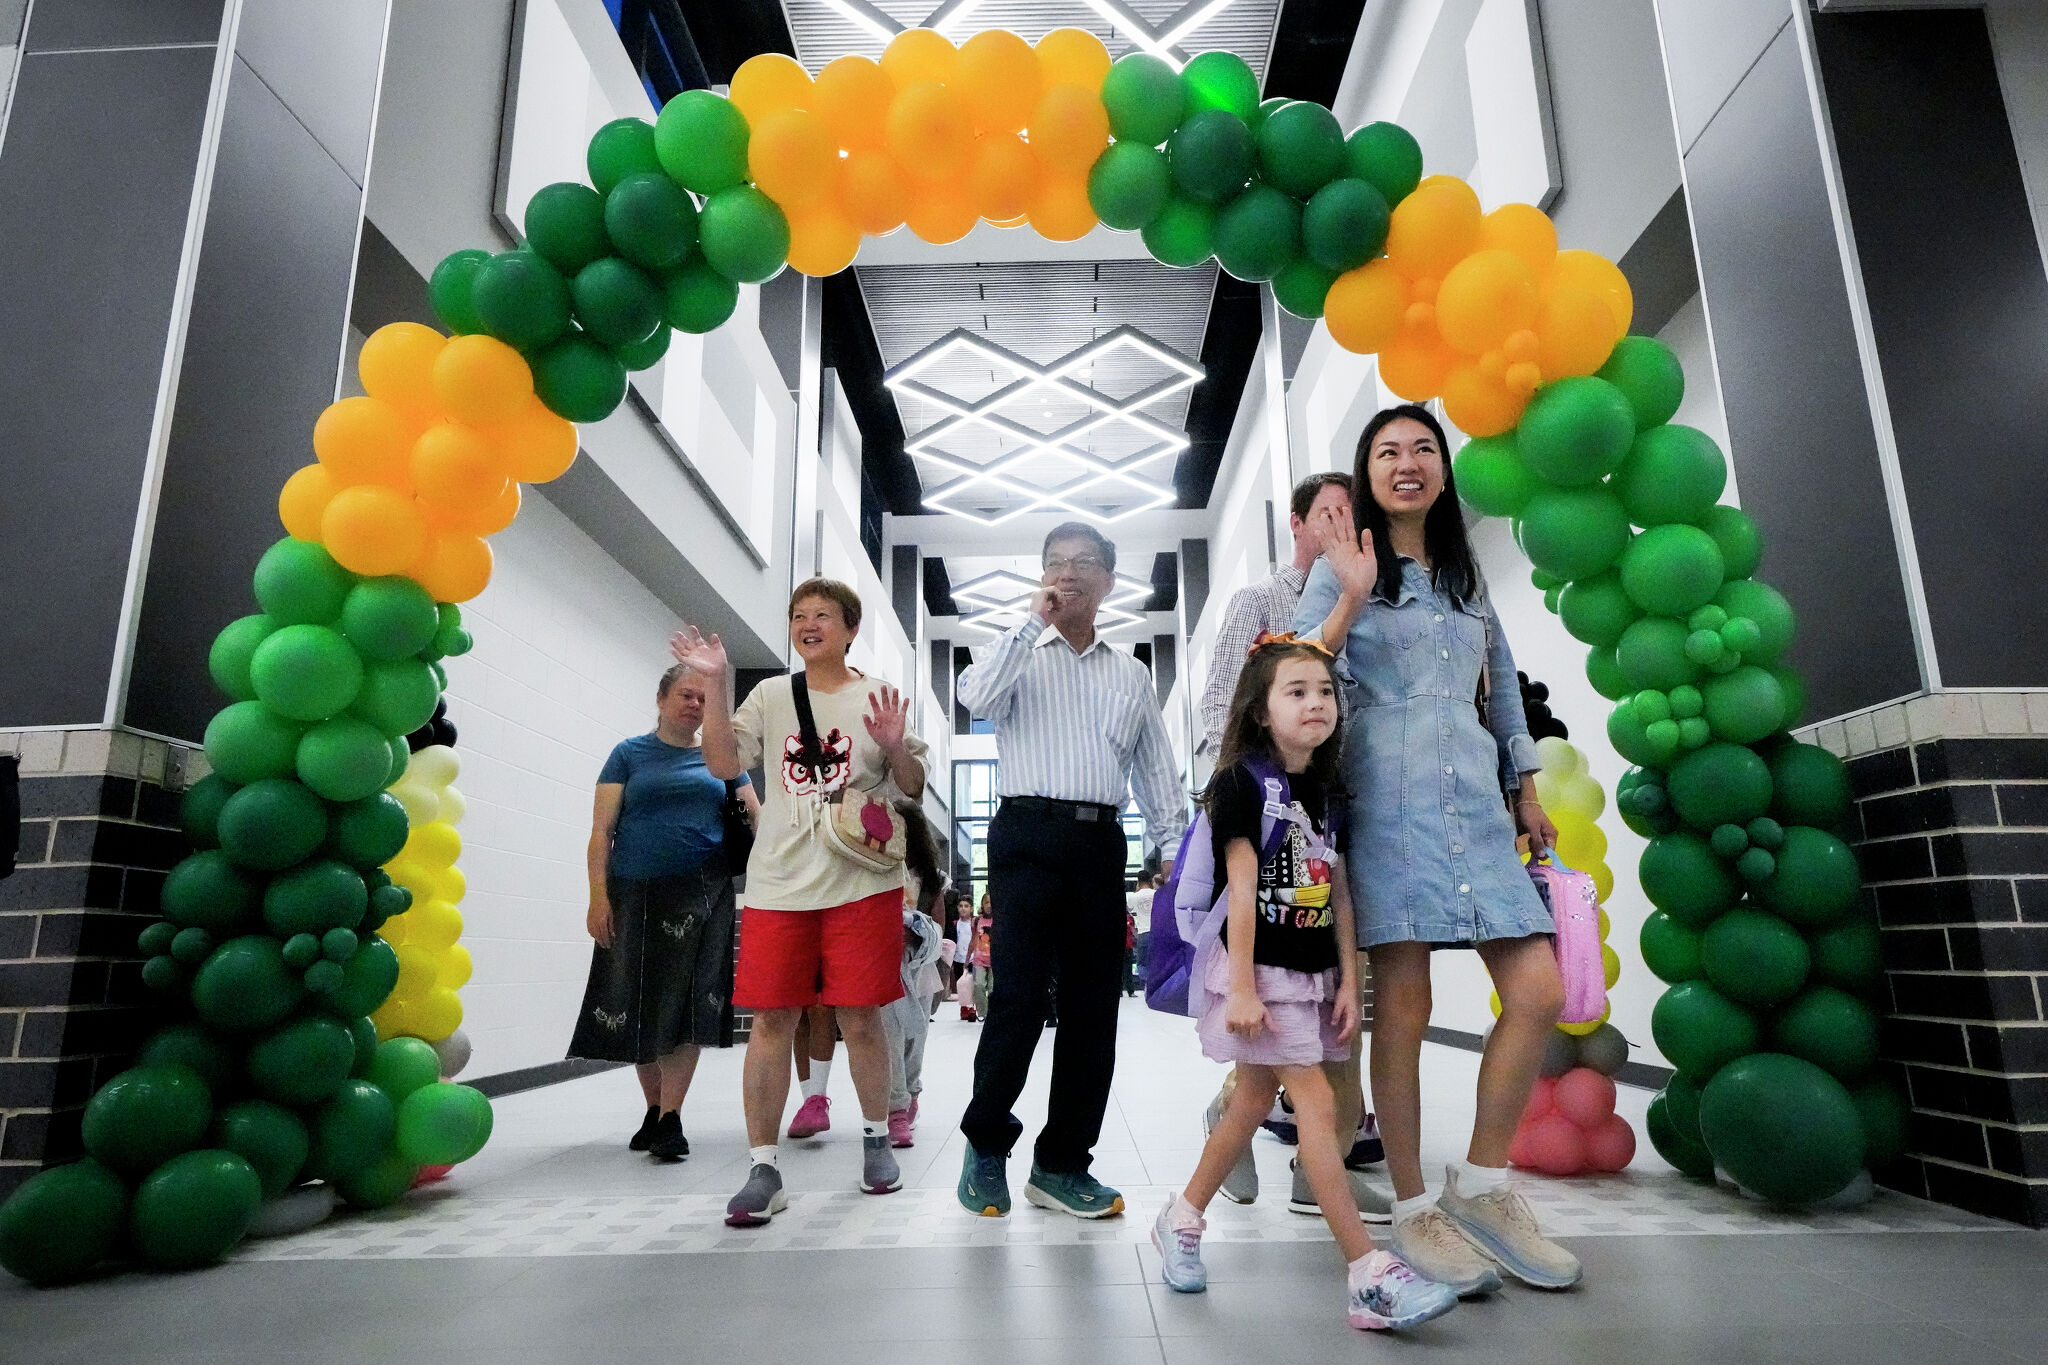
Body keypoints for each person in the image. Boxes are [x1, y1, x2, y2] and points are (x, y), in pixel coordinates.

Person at [1296, 404, 1581, 1293]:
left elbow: (1499, 695)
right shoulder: (1344, 572)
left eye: (1423, 448)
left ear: (1444, 470)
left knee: (1539, 988)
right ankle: (1413, 1203)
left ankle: (1485, 1183)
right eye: (1388, 451)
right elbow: (1294, 671)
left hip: (1475, 804)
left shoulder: (1464, 578)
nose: (1407, 463)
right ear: (1366, 472)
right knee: (1406, 1006)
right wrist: (1346, 592)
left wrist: (1526, 787)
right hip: (1385, 802)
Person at [1153, 637, 1456, 1332]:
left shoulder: (1326, 789)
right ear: (1260, 710)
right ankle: (1368, 1273)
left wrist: (1352, 977)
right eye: (1296, 691)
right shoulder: (1240, 783)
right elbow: (1241, 883)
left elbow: (1340, 891)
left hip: (1309, 971)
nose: (1316, 702)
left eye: (1324, 690)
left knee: (1253, 1099)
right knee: (1315, 1100)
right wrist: (1243, 987)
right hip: (1256, 970)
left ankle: (1181, 1218)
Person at [672, 577, 930, 1227]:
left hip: (860, 885)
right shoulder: (769, 695)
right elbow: (723, 760)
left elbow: (913, 786)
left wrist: (896, 744)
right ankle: (764, 1167)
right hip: (780, 887)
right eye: (797, 615)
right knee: (772, 1021)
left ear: (849, 629)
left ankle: (876, 1142)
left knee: (861, 1017)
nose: (807, 622)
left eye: (822, 614)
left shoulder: (878, 696)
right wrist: (716, 682)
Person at [954, 522, 1186, 1221]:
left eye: (1085, 562)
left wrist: (1175, 855)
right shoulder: (1020, 652)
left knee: (1094, 1011)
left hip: (1099, 844)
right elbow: (975, 697)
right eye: (1057, 562)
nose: (1069, 572)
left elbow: (1155, 771)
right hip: (1025, 835)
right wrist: (1032, 622)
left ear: (1111, 578)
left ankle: (1061, 1163)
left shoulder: (1131, 674)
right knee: (1020, 998)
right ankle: (986, 1144)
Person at [1196, 471, 1383, 1212]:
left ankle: (1319, 1167)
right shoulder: (1260, 603)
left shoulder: (1370, 594)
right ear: (1300, 524)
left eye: (1352, 514)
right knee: (1277, 1018)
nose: (1342, 526)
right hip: (1272, 824)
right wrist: (1254, 791)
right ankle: (1238, 1123)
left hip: (1337, 812)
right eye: (1328, 513)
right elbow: (1222, 706)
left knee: (1340, 1002)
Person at [572, 664, 758, 1163]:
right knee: (638, 1000)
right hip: (633, 891)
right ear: (660, 698)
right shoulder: (628, 755)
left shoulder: (721, 759)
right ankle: (653, 1108)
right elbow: (600, 832)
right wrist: (598, 896)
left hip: (703, 894)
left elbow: (756, 819)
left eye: (702, 698)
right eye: (685, 695)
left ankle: (672, 1116)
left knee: (688, 1002)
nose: (695, 704)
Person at [884, 802, 946, 1147]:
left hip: (920, 967)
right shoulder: (874, 867)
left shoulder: (930, 878)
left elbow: (939, 926)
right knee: (889, 1034)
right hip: (883, 965)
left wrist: (917, 930)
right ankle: (895, 1109)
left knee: (915, 1037)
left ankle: (911, 1091)